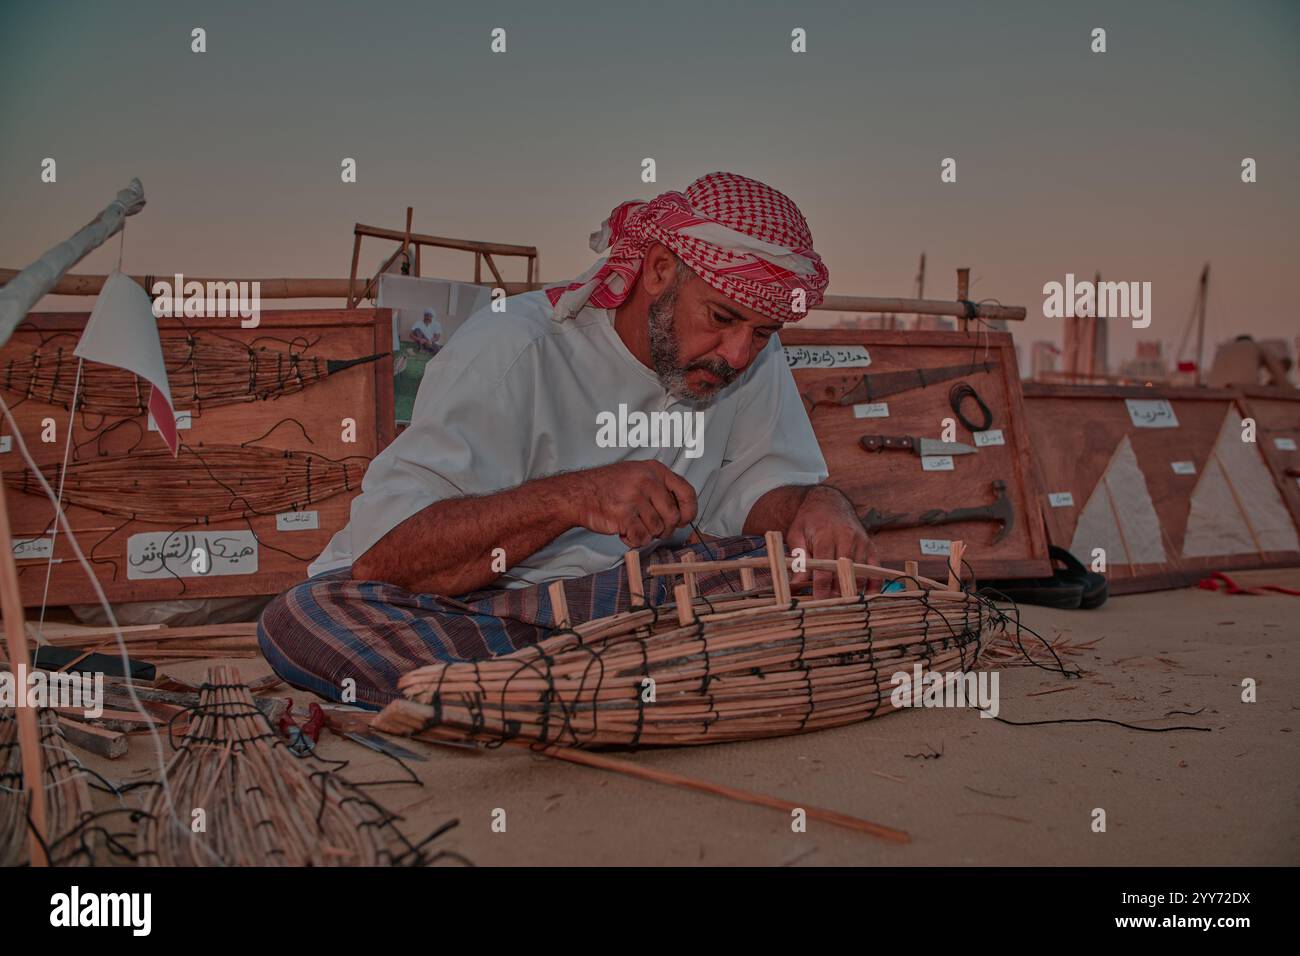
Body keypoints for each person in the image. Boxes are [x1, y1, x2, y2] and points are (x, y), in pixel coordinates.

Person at [259, 171, 875, 707]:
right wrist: (570, 499)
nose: (739, 354)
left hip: (633, 598)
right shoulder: (513, 347)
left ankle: (551, 692)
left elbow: (761, 495)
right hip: (487, 612)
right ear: (659, 270)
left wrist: (819, 506)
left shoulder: (748, 364)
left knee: (788, 577)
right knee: (309, 616)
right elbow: (383, 562)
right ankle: (610, 682)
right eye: (721, 319)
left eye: (762, 332)